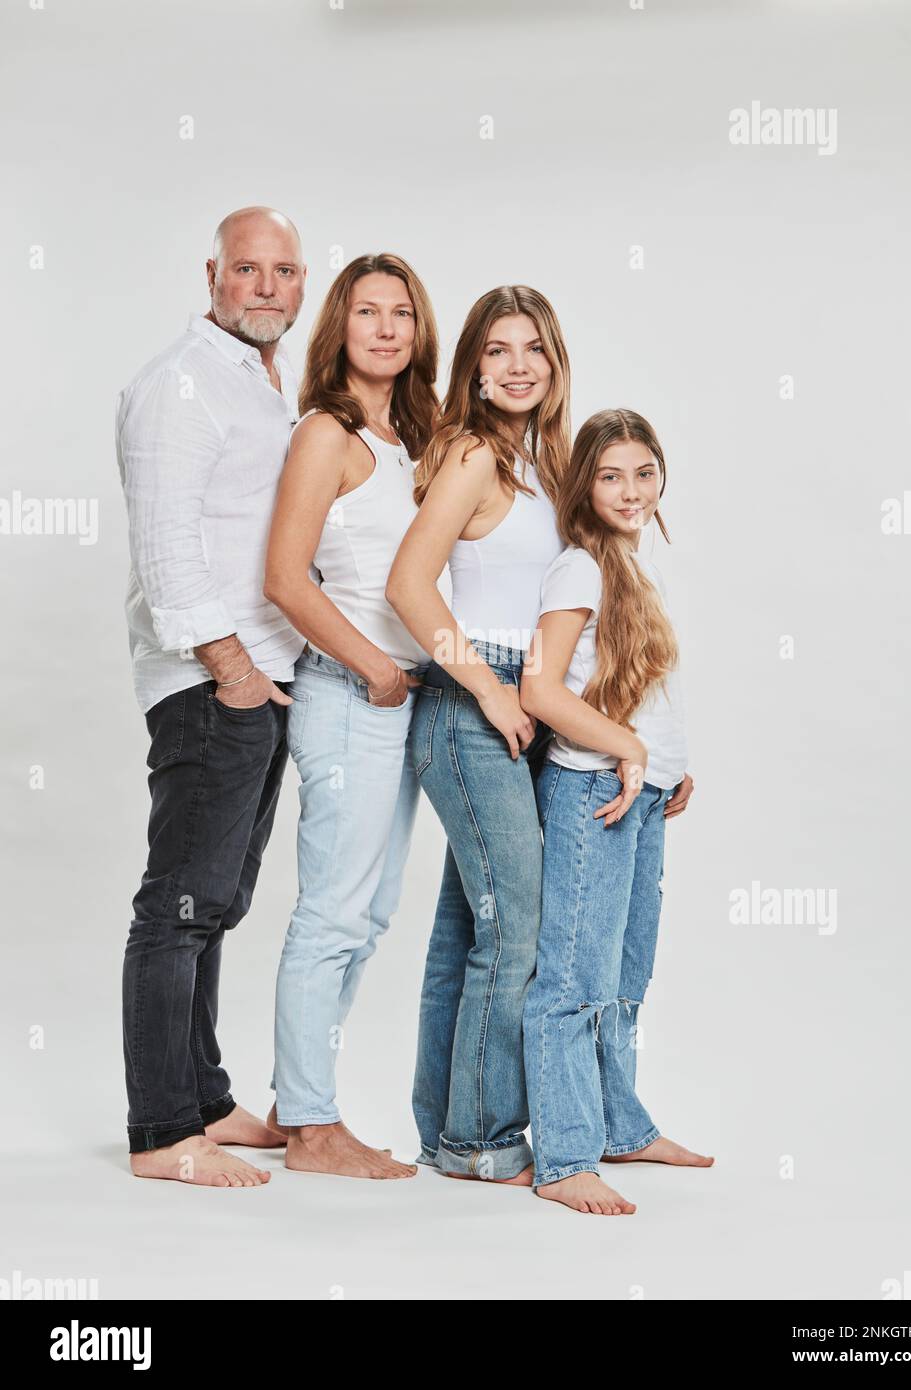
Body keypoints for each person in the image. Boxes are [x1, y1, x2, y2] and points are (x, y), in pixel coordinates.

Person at [117, 206, 307, 1187]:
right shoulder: (180, 384)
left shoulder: (256, 385)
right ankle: (160, 1133)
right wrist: (232, 672)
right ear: (212, 276)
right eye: (248, 268)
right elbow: (166, 551)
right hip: (209, 680)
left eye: (283, 271)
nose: (266, 286)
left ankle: (203, 1096)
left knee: (216, 901)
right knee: (179, 906)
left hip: (259, 678)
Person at [386, 286, 570, 1183]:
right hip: (473, 706)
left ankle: (446, 1133)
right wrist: (489, 694)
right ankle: (484, 1138)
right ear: (472, 365)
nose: (516, 366)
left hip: (527, 700)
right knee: (517, 927)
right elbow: (410, 586)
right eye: (496, 350)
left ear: (555, 360)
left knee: (471, 929)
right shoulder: (472, 455)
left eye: (532, 348)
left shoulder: (549, 461)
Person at [263, 254, 439, 1179]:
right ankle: (313, 1126)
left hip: (400, 702)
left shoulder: (414, 436)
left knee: (367, 915)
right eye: (366, 312)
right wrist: (374, 667)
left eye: (400, 314)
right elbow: (284, 578)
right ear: (340, 326)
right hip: (347, 697)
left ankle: (296, 1100)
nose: (383, 329)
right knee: (333, 913)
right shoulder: (325, 434)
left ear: (418, 331)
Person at [518, 408, 711, 1215]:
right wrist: (629, 754)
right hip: (592, 793)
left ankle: (620, 1127)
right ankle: (563, 1157)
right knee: (571, 979)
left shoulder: (640, 560)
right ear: (583, 485)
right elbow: (539, 687)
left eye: (642, 473)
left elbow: (641, 686)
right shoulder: (578, 569)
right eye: (609, 475)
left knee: (625, 974)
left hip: (642, 794)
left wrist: (667, 764)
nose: (629, 491)